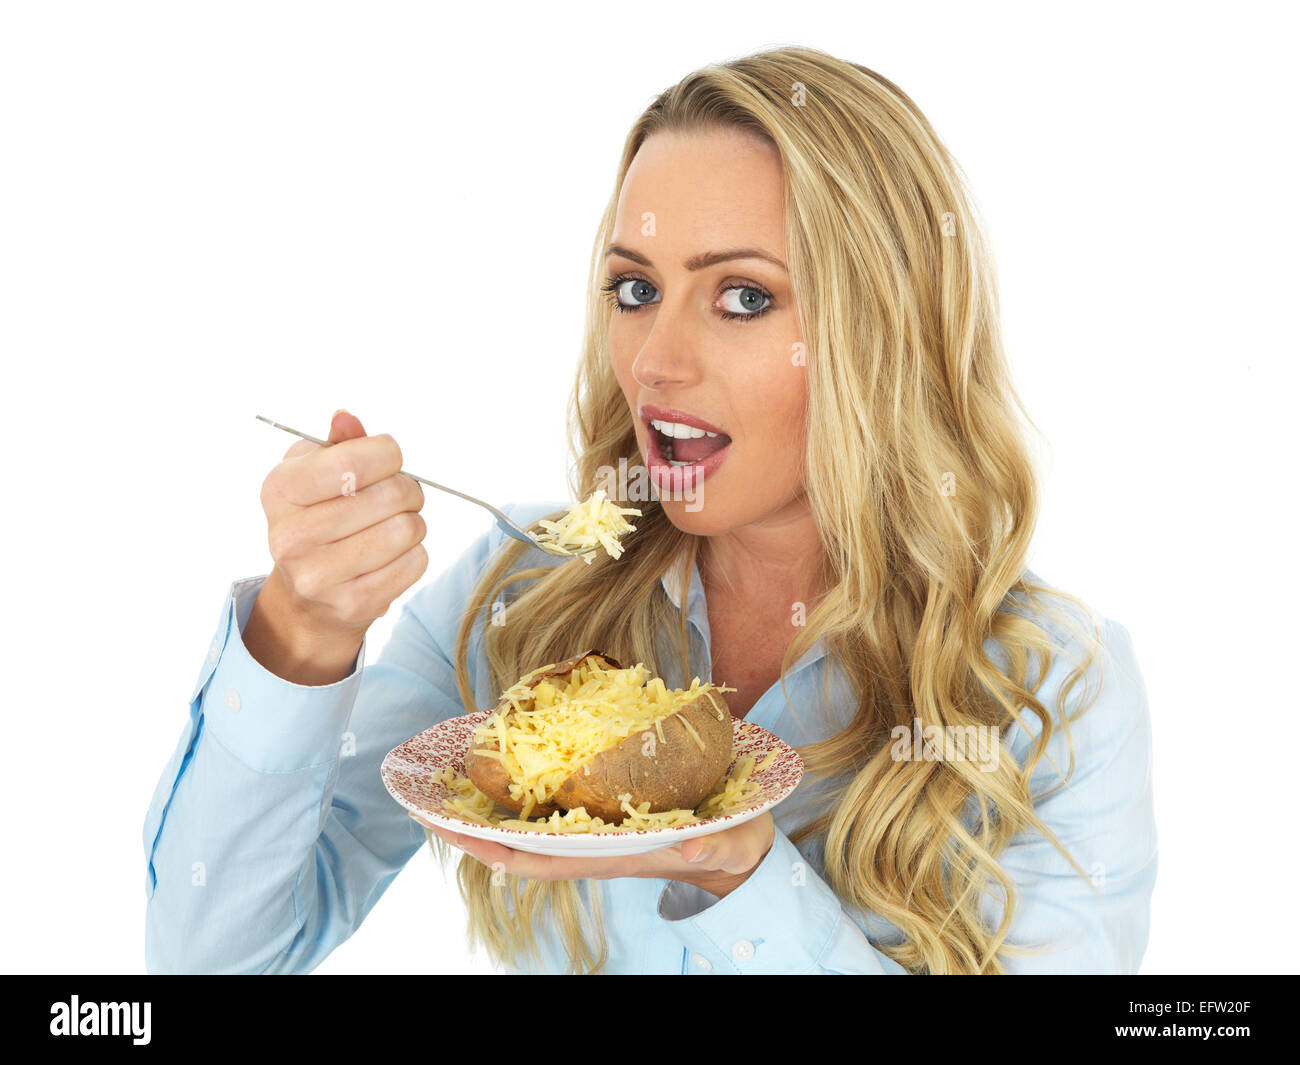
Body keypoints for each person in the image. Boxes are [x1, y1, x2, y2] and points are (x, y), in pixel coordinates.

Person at [143, 45, 1156, 975]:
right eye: (634, 290)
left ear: (880, 331)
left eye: (743, 299)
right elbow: (215, 959)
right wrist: (299, 635)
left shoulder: (1047, 692)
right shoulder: (520, 594)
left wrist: (740, 879)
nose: (657, 364)